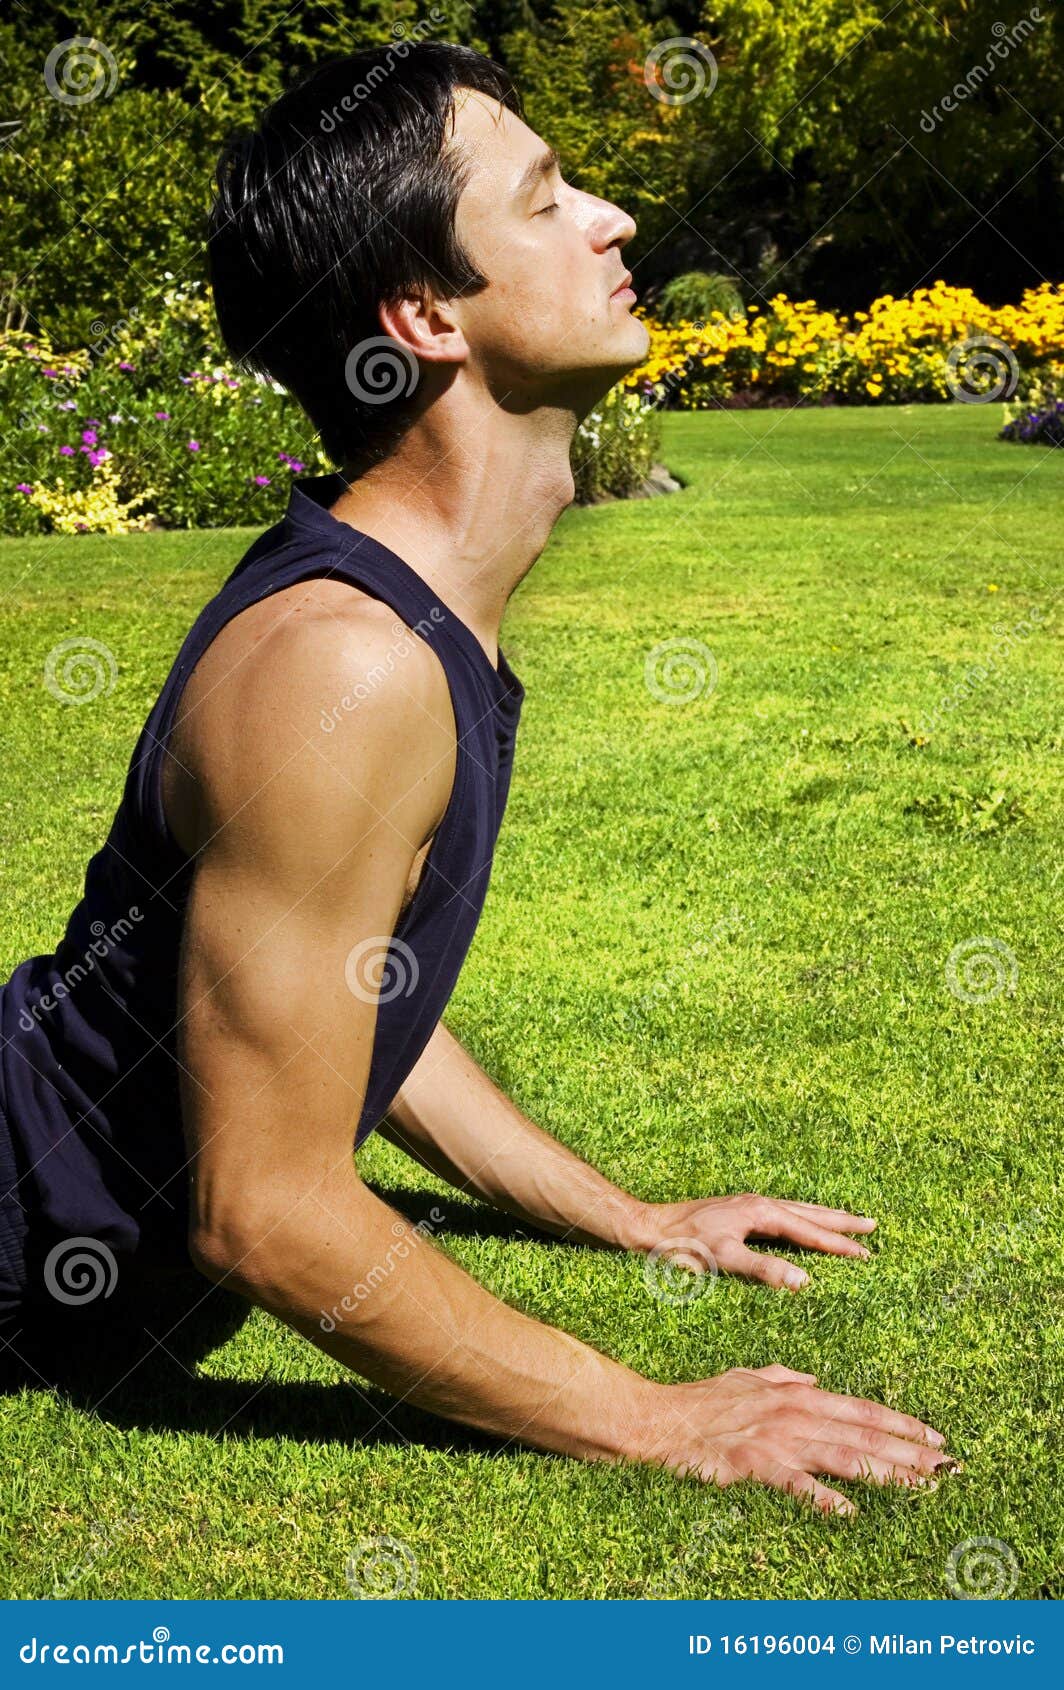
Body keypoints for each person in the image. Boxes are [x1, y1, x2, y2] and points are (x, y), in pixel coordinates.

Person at [0, 41, 955, 1514]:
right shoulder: (348, 664)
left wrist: (633, 1219)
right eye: (546, 198)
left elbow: (342, 997)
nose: (614, 217)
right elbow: (264, 1215)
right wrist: (652, 1414)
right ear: (423, 315)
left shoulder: (402, 619)